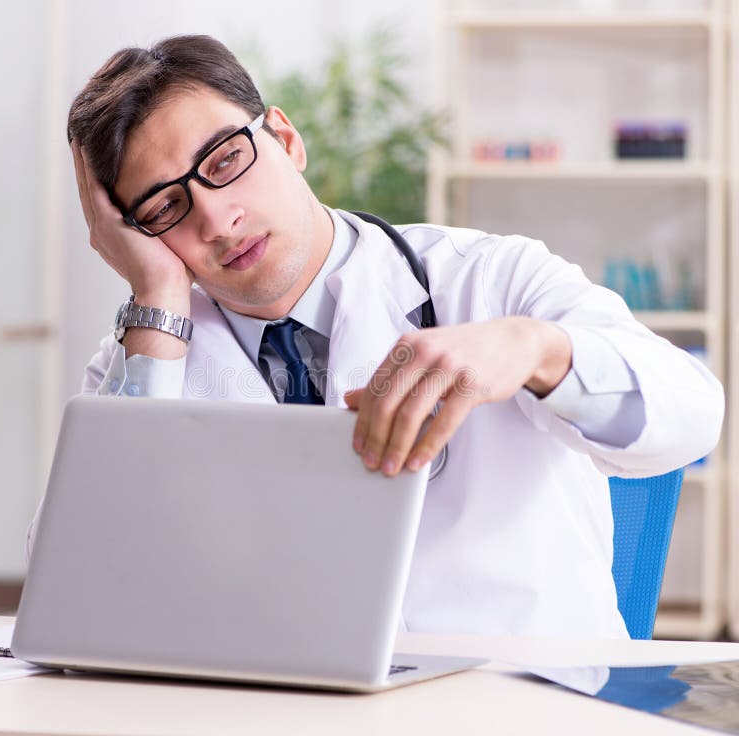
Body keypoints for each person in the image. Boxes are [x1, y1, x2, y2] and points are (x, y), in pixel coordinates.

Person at [60, 34, 723, 638]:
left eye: (227, 160)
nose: (217, 218)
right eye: (165, 206)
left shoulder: (487, 278)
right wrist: (156, 296)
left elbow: (693, 415)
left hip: (521, 698)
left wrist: (537, 349)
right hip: (279, 708)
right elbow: (80, 593)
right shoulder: (150, 354)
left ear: (287, 141)